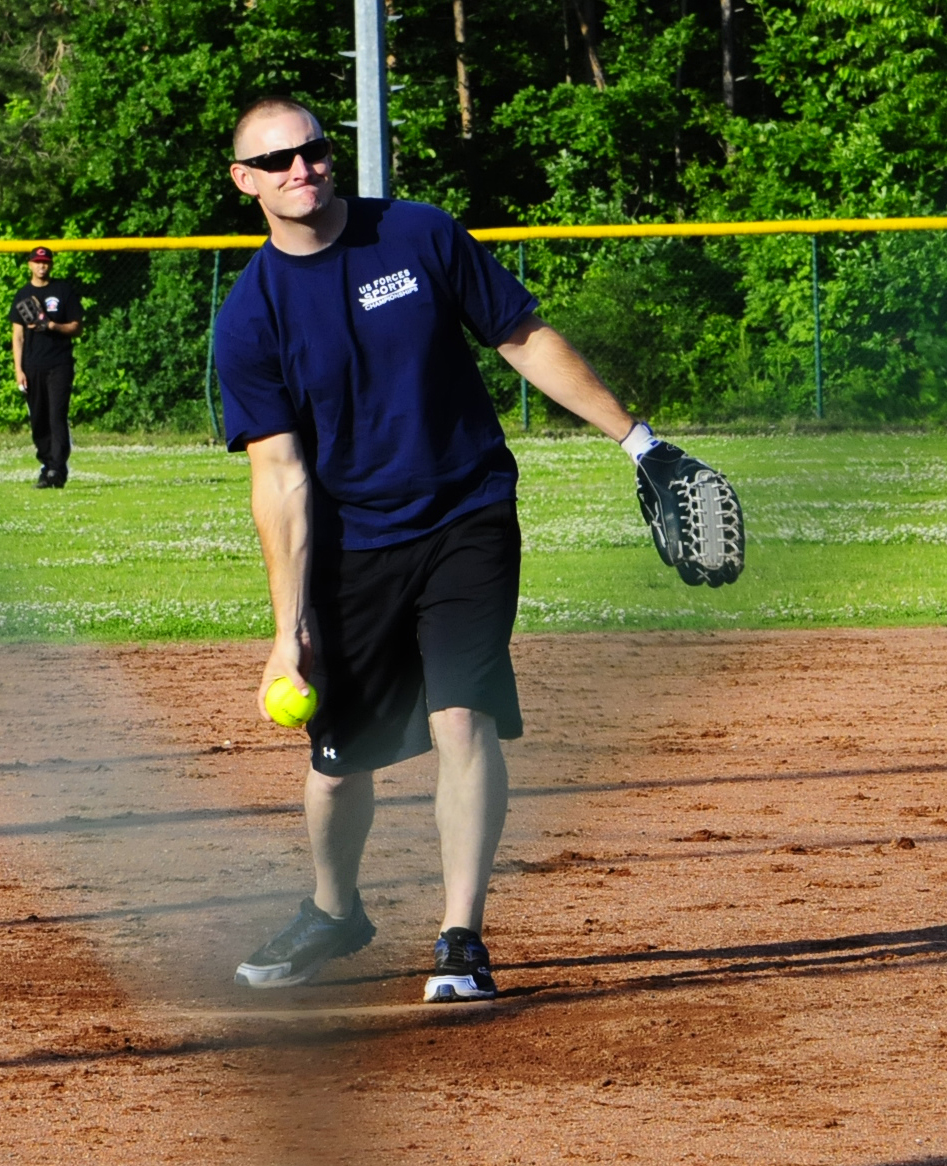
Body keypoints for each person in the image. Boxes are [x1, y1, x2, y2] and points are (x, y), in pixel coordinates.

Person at [214, 96, 662, 1004]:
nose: (301, 169)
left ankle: (462, 937)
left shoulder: (417, 235)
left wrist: (637, 440)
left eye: (313, 150)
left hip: (467, 514)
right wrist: (285, 631)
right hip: (352, 550)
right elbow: (282, 482)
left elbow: (522, 337)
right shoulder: (251, 317)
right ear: (244, 182)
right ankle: (335, 911)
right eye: (277, 161)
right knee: (341, 765)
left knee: (464, 716)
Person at [10, 246, 83, 489]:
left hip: (59, 363)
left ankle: (56, 470)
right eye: (37, 261)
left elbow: (77, 327)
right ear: (29, 264)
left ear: (51, 264)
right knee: (39, 418)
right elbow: (17, 337)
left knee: (56, 415)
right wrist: (18, 370)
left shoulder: (63, 290)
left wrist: (51, 325)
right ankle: (46, 466)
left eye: (46, 261)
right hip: (32, 366)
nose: (42, 265)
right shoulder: (22, 294)